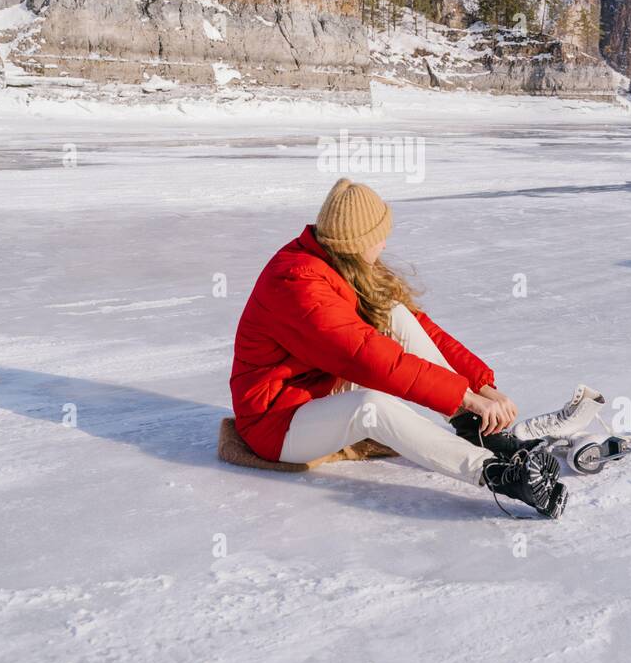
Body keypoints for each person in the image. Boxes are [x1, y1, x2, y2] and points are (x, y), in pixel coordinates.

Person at [230, 178, 568, 517]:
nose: (384, 242)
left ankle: (480, 432)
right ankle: (497, 474)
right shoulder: (297, 284)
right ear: (356, 242)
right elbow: (368, 358)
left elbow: (422, 330)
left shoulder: (337, 263)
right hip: (278, 422)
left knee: (396, 315)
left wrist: (481, 386)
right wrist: (465, 396)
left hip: (319, 386)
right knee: (370, 407)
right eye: (378, 237)